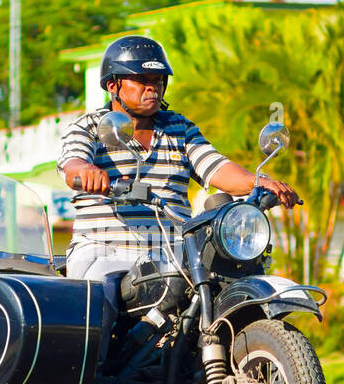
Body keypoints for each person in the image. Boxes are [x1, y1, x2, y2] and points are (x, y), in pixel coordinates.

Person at [57, 35, 300, 282]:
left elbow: (216, 167)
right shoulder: (89, 126)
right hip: (104, 248)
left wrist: (258, 182)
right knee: (101, 299)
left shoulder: (178, 127)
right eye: (141, 80)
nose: (152, 87)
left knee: (220, 288)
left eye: (158, 80)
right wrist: (86, 172)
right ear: (112, 85)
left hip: (172, 252)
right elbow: (73, 164)